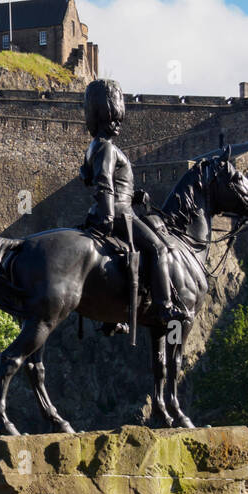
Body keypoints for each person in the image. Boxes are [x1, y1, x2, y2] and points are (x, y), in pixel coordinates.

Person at [78, 78, 186, 328]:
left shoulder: (94, 147)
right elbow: (104, 181)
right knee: (159, 249)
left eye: (118, 119)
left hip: (111, 209)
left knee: (127, 256)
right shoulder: (107, 149)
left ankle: (116, 313)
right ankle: (164, 308)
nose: (117, 125)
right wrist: (108, 215)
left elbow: (99, 180)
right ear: (101, 117)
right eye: (111, 119)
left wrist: (134, 195)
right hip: (118, 214)